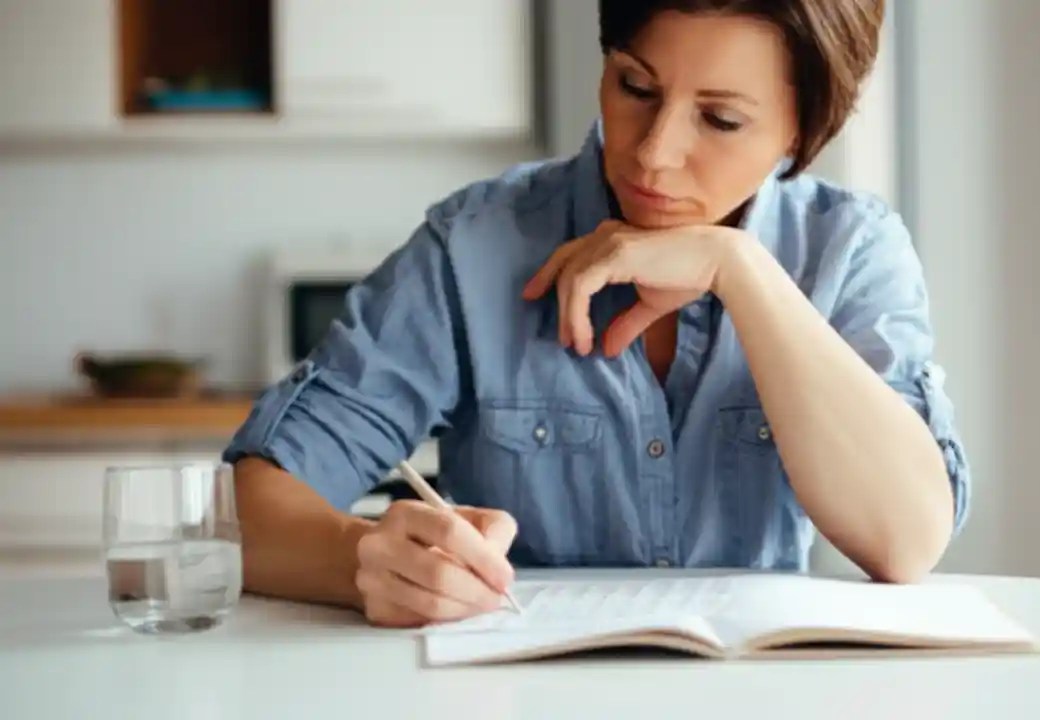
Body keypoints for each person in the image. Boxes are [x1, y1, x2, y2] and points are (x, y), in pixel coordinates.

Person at [224, 0, 970, 628]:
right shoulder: (477, 245)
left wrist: (738, 272)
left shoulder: (850, 250)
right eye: (635, 86)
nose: (652, 153)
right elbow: (249, 513)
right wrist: (366, 561)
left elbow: (905, 541)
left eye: (719, 120)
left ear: (802, 133)